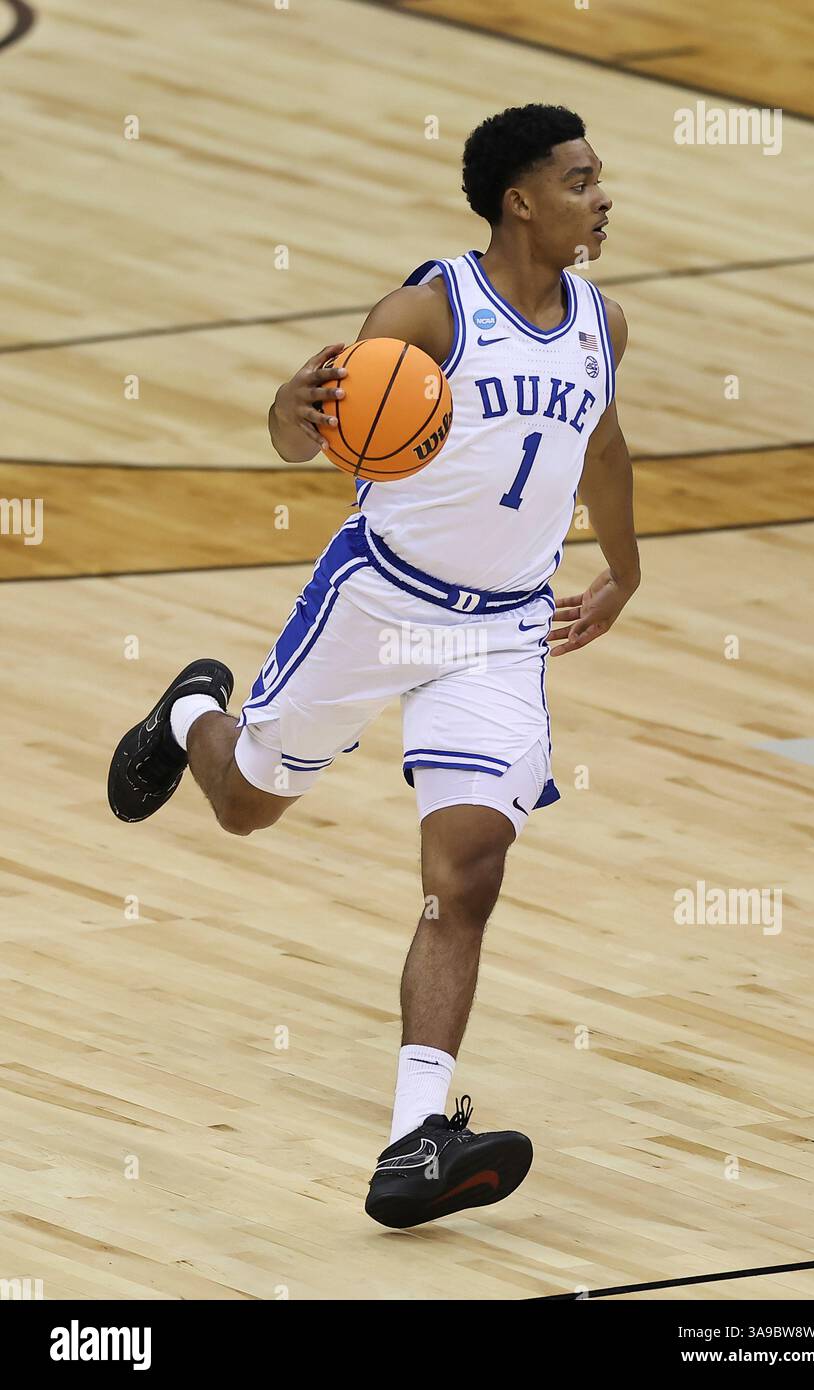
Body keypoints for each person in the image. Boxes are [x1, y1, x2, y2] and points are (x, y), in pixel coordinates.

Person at [108, 103, 640, 1229]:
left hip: (499, 629)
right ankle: (195, 709)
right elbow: (313, 431)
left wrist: (624, 570)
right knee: (247, 805)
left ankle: (412, 1142)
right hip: (378, 601)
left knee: (468, 872)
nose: (604, 196)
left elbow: (599, 439)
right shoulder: (429, 307)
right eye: (582, 179)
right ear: (520, 199)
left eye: (600, 178)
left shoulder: (602, 323)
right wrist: (286, 411)